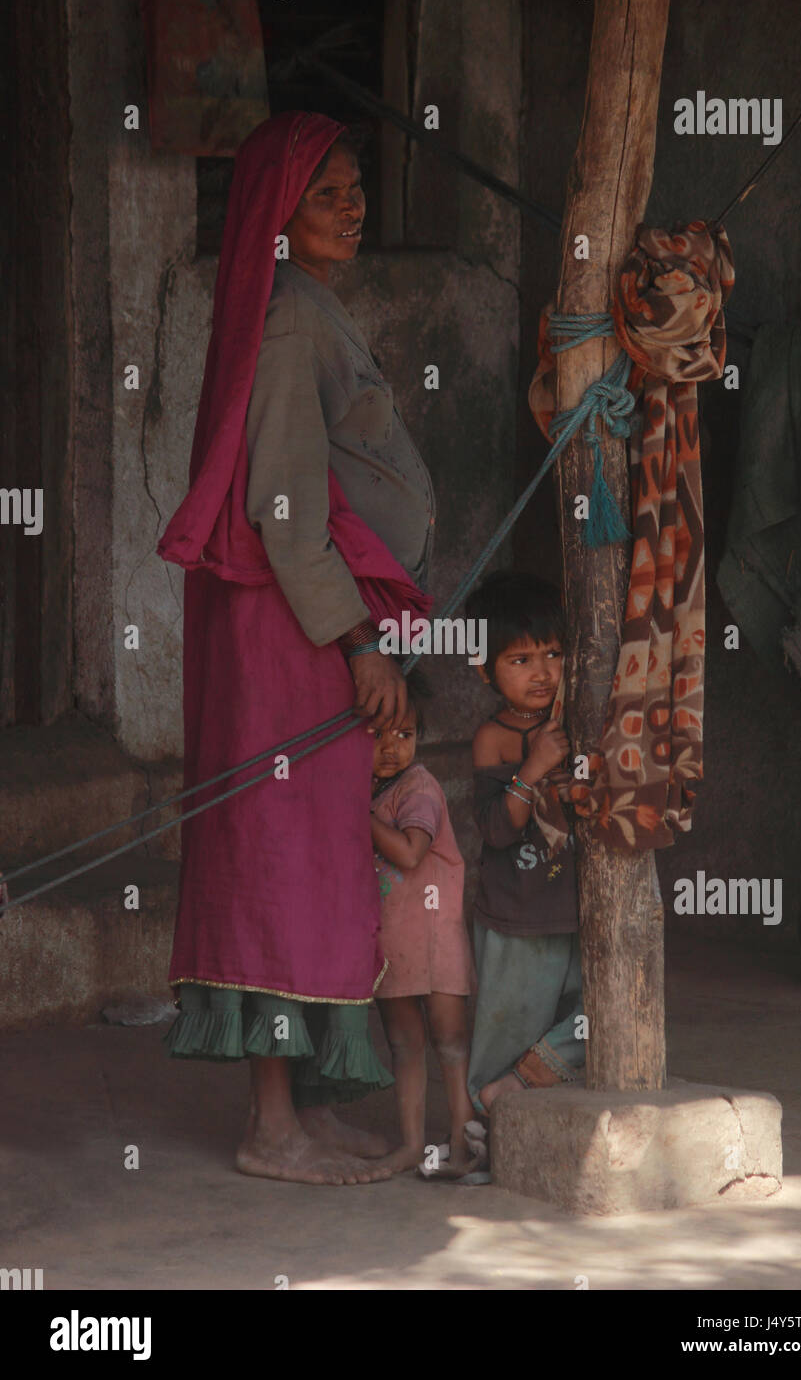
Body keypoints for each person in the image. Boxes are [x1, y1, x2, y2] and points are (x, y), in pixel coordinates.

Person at [157, 111, 436, 1186]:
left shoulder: (304, 310)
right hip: (291, 637)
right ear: (277, 217)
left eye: (357, 188)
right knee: (281, 863)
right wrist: (358, 640)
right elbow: (283, 509)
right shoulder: (288, 327)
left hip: (291, 629)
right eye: (326, 194)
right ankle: (270, 1126)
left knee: (306, 861)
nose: (353, 208)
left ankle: (296, 1112)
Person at [464, 571, 587, 1114]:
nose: (542, 672)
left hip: (576, 908)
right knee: (504, 1031)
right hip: (516, 915)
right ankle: (480, 1129)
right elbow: (497, 828)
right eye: (520, 660)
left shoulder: (575, 719)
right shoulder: (493, 737)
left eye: (553, 654)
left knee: (599, 1017)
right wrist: (533, 768)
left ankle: (512, 1090)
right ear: (483, 668)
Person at [369, 672, 480, 1176]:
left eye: (405, 735)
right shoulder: (368, 790)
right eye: (377, 735)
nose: (392, 748)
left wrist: (354, 813)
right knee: (403, 1044)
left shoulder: (419, 787)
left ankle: (461, 1142)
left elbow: (412, 852)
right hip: (391, 948)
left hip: (436, 944)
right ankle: (412, 1144)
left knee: (451, 1042)